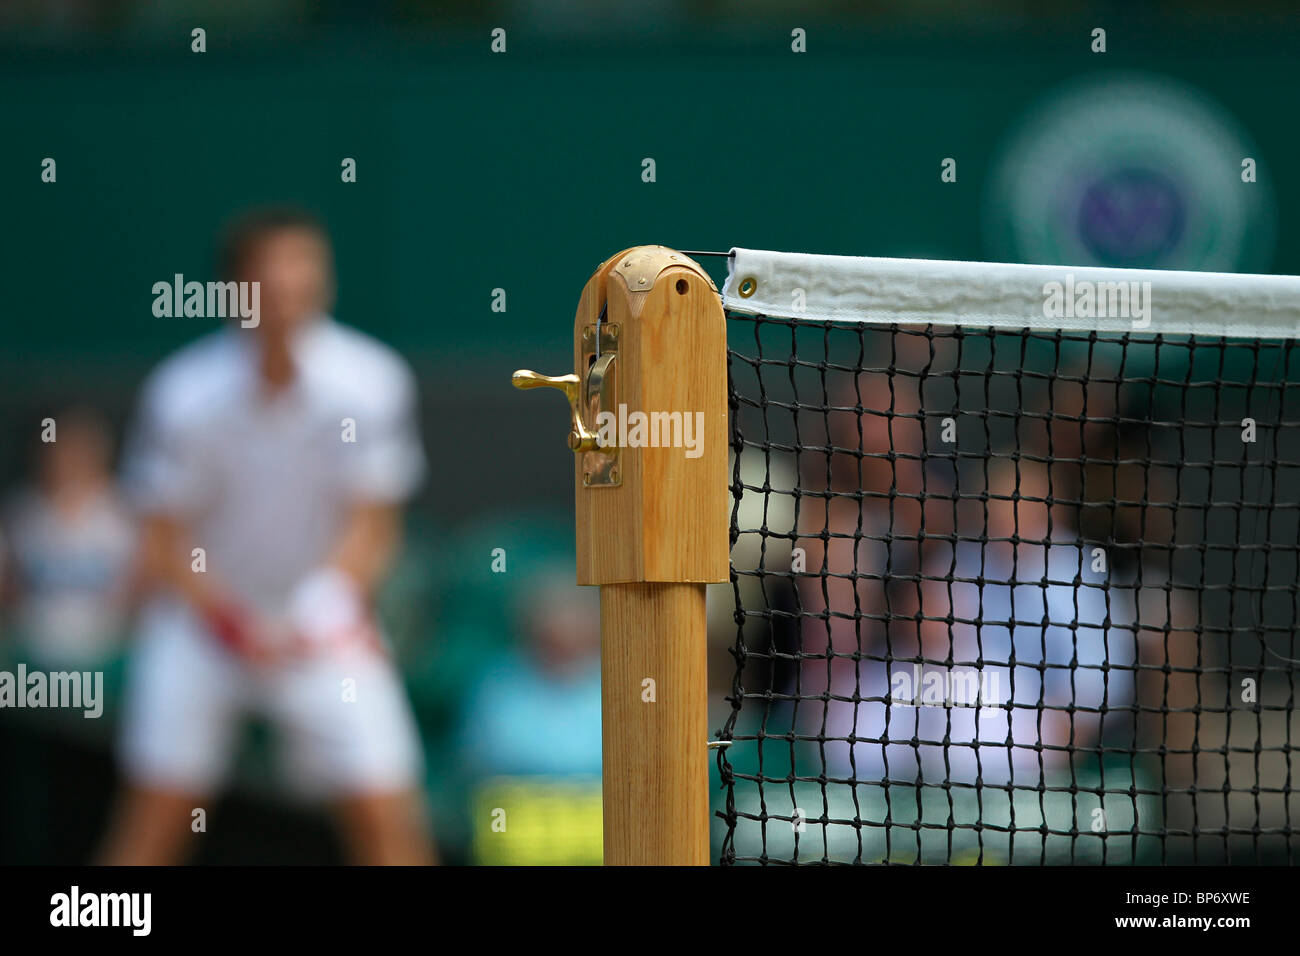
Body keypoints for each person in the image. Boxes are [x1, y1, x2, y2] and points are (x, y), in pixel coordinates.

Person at [97, 207, 433, 865]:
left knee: (389, 823)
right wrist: (227, 619)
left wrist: (329, 601)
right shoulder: (182, 395)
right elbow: (164, 538)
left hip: (320, 631)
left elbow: (373, 524)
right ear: (236, 287)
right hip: (202, 629)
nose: (286, 283)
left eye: (302, 265)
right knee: (151, 830)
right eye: (268, 269)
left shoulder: (373, 383)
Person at [2, 408, 136, 669]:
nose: (69, 460)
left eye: (79, 451)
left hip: (109, 656)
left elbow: (139, 596)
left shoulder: (124, 514)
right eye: (61, 451)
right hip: (32, 654)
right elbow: (10, 592)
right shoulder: (21, 514)